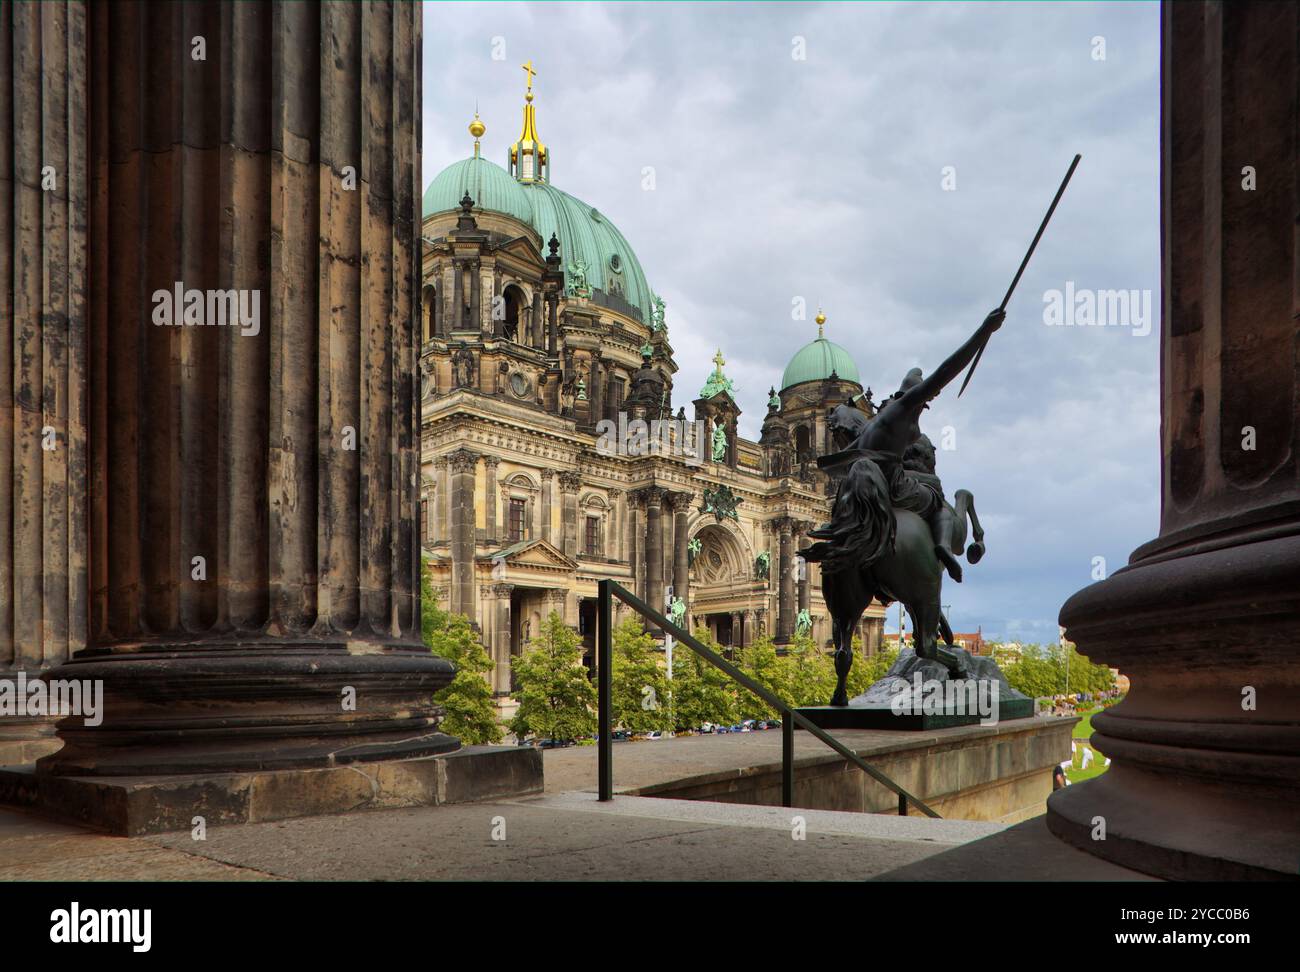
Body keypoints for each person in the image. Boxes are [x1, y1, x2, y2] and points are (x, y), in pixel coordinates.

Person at [806, 308, 1005, 576]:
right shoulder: (905, 407)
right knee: (935, 496)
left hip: (875, 481)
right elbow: (947, 370)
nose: (928, 400)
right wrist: (984, 331)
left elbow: (835, 464)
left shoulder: (871, 427)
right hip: (893, 485)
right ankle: (944, 546)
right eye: (926, 396)